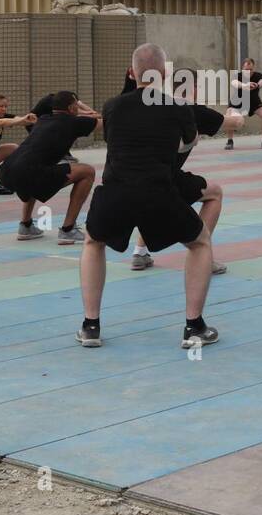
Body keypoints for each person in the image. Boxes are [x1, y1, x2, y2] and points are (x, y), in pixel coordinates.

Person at [79, 44, 218, 349]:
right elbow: (188, 142)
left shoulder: (111, 106)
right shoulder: (177, 107)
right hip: (158, 191)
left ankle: (91, 326)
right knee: (200, 242)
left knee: (93, 241)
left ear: (132, 73)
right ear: (165, 74)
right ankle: (194, 327)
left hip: (115, 191)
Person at [132, 69, 230, 273]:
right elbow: (235, 124)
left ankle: (139, 252)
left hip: (135, 176)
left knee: (156, 200)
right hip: (164, 178)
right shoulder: (194, 110)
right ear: (193, 87)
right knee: (214, 193)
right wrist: (234, 111)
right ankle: (201, 256)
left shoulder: (157, 105)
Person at [0, 90, 100, 243]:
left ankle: (25, 226)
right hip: (28, 172)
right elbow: (106, 123)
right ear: (72, 108)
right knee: (87, 171)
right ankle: (68, 229)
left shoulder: (44, 118)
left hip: (7, 170)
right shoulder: (74, 122)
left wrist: (88, 115)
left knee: (33, 174)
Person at [227, 57, 262, 150]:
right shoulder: (237, 76)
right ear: (242, 68)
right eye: (246, 70)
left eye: (251, 69)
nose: (249, 71)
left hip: (254, 102)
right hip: (237, 102)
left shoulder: (258, 75)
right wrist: (245, 85)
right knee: (229, 117)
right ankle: (230, 141)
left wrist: (257, 85)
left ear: (253, 68)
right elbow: (234, 83)